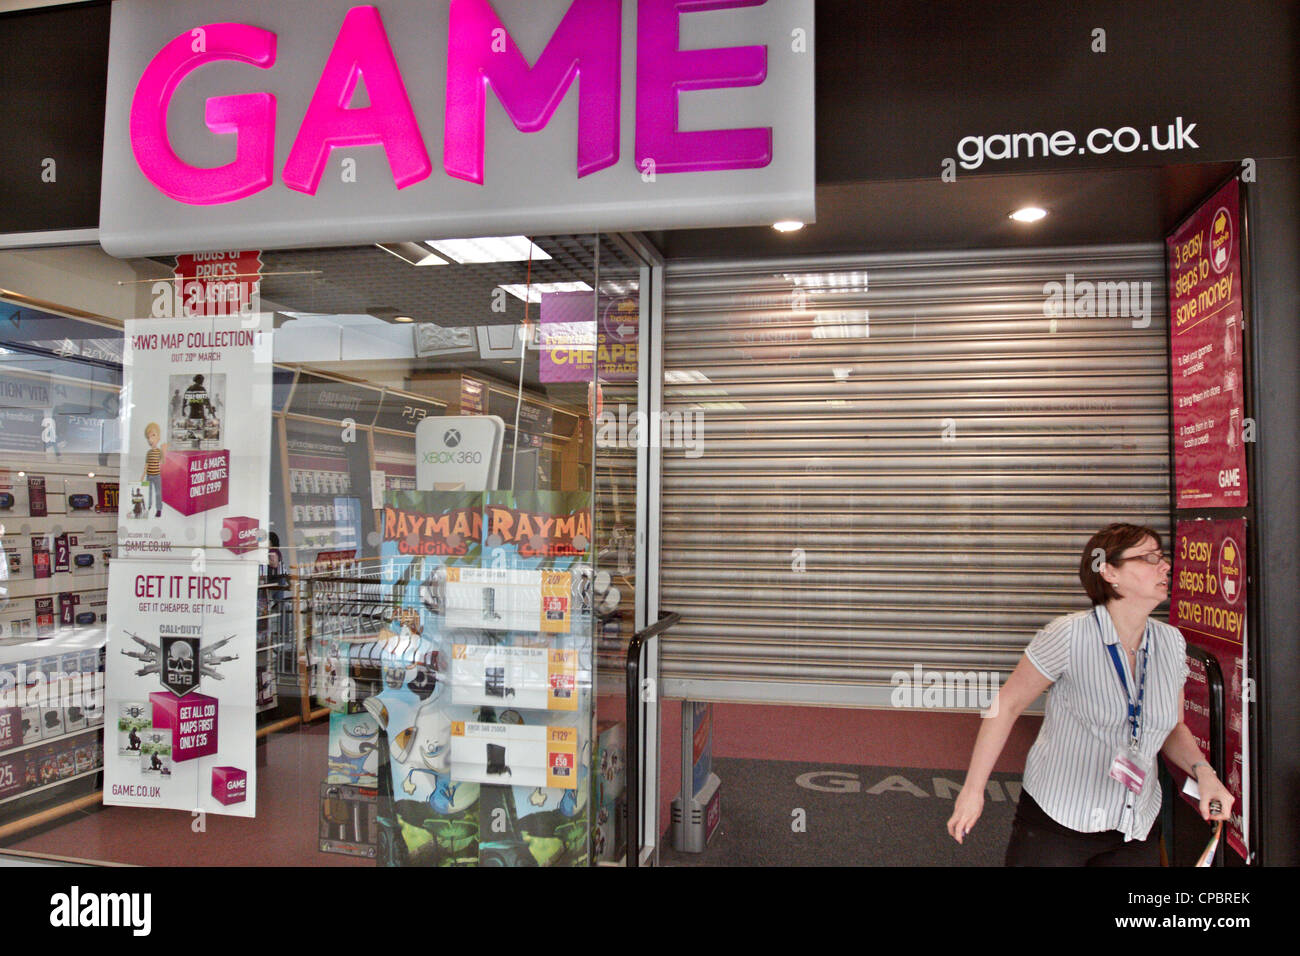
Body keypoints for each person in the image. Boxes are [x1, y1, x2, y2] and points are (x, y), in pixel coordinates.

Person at [946, 523, 1233, 865]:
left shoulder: (1171, 643)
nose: (1165, 565)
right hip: (1059, 820)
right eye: (1149, 558)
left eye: (1163, 557)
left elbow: (1173, 728)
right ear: (1110, 571)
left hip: (1135, 825)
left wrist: (1205, 774)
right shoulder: (1068, 635)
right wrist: (973, 790)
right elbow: (1006, 705)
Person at [141, 422, 166, 518]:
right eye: (149, 437)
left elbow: (162, 461)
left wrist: (163, 451)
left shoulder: (159, 451)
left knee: (158, 493)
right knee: (148, 492)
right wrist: (142, 477)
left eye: (153, 435)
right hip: (149, 476)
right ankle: (148, 507)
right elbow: (146, 465)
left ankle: (159, 509)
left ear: (158, 437)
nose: (151, 439)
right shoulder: (149, 453)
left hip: (157, 476)